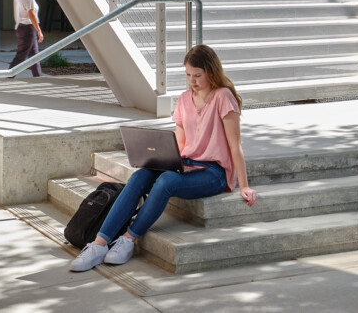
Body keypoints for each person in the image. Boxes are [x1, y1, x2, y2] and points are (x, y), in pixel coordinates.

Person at [70, 45, 257, 270]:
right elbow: (180, 144)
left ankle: (128, 240)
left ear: (211, 71)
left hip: (213, 172)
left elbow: (235, 145)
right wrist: (166, 161)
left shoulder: (223, 97)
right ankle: (99, 245)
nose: (192, 81)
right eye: (188, 75)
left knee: (166, 181)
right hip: (186, 165)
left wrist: (244, 186)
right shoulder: (185, 99)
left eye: (198, 75)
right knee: (140, 176)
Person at [11, 0, 44, 77]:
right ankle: (9, 75)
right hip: (28, 28)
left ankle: (38, 77)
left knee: (34, 56)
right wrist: (38, 30)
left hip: (22, 27)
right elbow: (31, 14)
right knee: (22, 55)